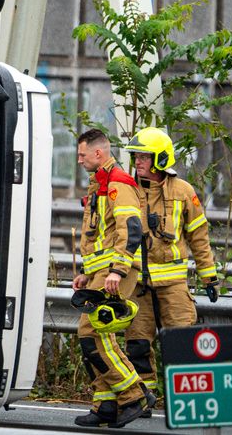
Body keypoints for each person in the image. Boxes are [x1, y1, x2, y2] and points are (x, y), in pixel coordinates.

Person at [122, 127, 220, 417]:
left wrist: (209, 276)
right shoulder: (128, 190)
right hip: (137, 284)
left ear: (160, 159)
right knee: (137, 344)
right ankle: (143, 399)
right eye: (136, 156)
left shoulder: (183, 192)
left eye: (144, 156)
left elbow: (198, 237)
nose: (138, 161)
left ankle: (189, 402)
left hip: (173, 285)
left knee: (182, 344)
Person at [70, 128, 149, 427]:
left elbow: (131, 229)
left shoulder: (118, 183)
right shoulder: (99, 184)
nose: (79, 160)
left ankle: (134, 394)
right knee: (93, 336)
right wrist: (86, 273)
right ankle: (105, 404)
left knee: (93, 331)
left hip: (115, 271)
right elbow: (100, 236)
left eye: (82, 154)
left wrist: (117, 270)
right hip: (101, 272)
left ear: (98, 153)